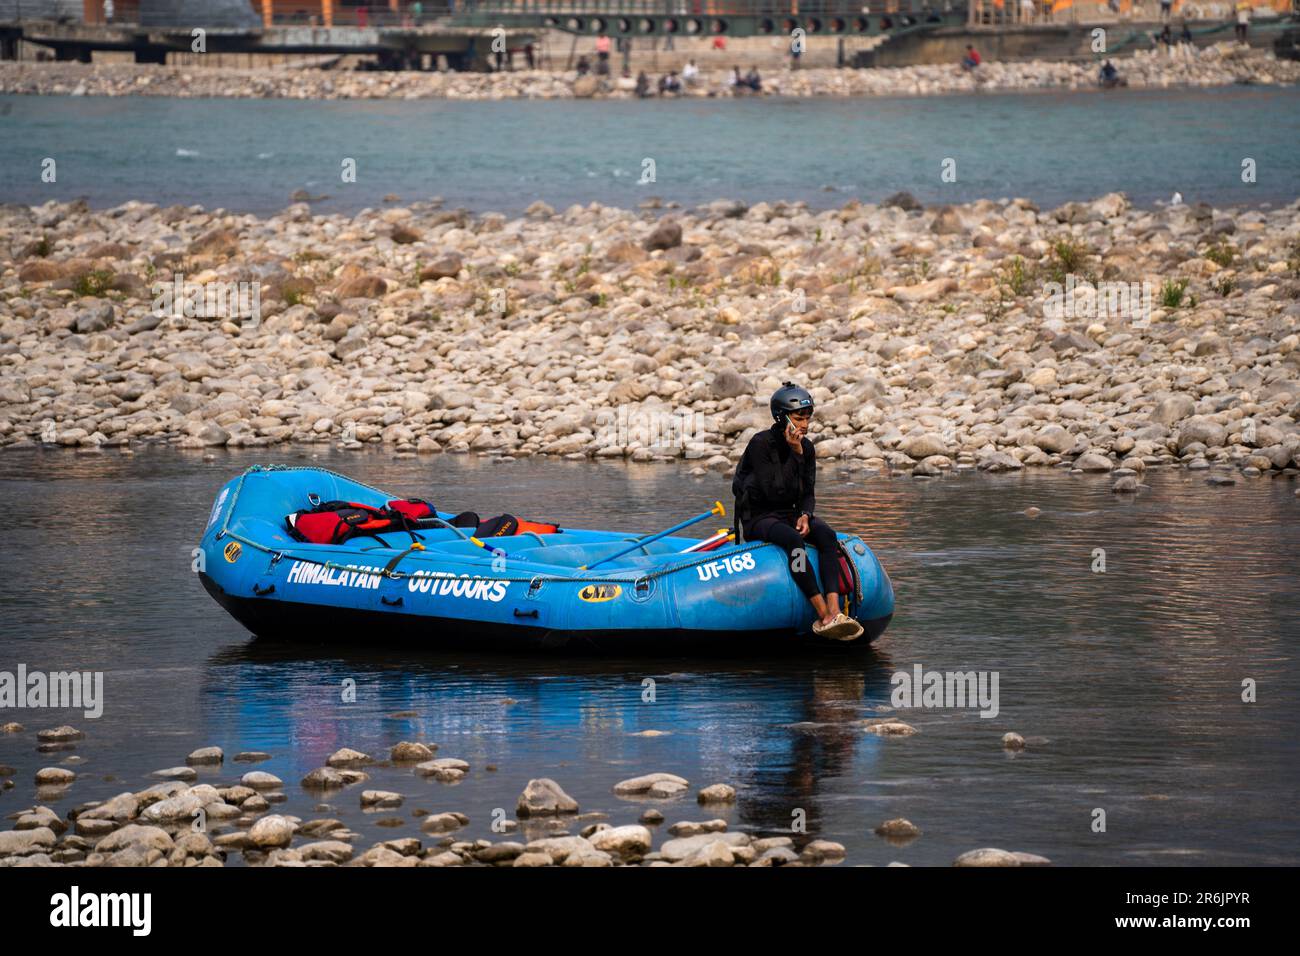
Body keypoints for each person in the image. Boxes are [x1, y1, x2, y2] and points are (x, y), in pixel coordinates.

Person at [732, 383, 864, 641]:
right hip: (758, 518)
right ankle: (822, 613)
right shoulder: (761, 444)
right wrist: (795, 454)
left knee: (827, 535)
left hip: (789, 514)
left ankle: (836, 611)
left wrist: (805, 514)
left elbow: (808, 492)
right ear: (782, 418)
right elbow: (774, 491)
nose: (804, 424)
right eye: (798, 418)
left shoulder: (807, 447)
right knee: (794, 542)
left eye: (807, 418)